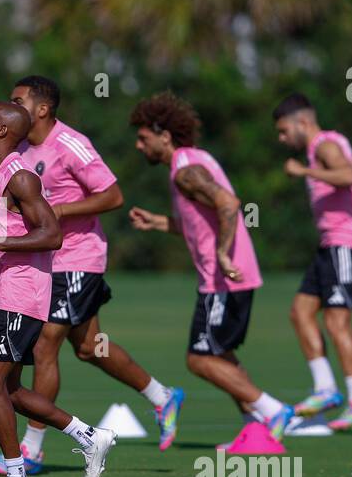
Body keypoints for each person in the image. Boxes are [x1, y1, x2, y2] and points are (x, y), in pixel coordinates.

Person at [0, 76, 182, 477]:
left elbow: (113, 195)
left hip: (78, 257)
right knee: (90, 347)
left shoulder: (71, 143)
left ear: (42, 108)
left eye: (18, 99)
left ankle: (33, 449)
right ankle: (161, 395)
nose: (12, 104)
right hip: (43, 264)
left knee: (44, 346)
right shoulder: (19, 148)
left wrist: (62, 210)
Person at [0, 101, 116, 477]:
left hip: (21, 294)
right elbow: (6, 230)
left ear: (1, 131)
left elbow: (51, 234)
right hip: (3, 291)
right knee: (9, 389)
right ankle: (90, 435)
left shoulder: (21, 176)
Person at [126, 91, 294, 438]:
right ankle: (255, 430)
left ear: (164, 136)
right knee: (223, 356)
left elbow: (228, 204)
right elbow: (198, 224)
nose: (139, 146)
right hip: (226, 278)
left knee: (200, 359)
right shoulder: (191, 160)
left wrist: (222, 253)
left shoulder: (185, 171)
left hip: (224, 279)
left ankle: (275, 412)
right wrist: (158, 222)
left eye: (144, 139)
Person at [274, 93, 352, 430]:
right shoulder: (329, 145)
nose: (282, 139)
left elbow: (350, 176)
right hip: (333, 245)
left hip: (344, 247)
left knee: (336, 321)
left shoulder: (323, 147)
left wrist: (305, 170)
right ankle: (325, 390)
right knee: (300, 311)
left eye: (283, 131)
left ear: (302, 123)